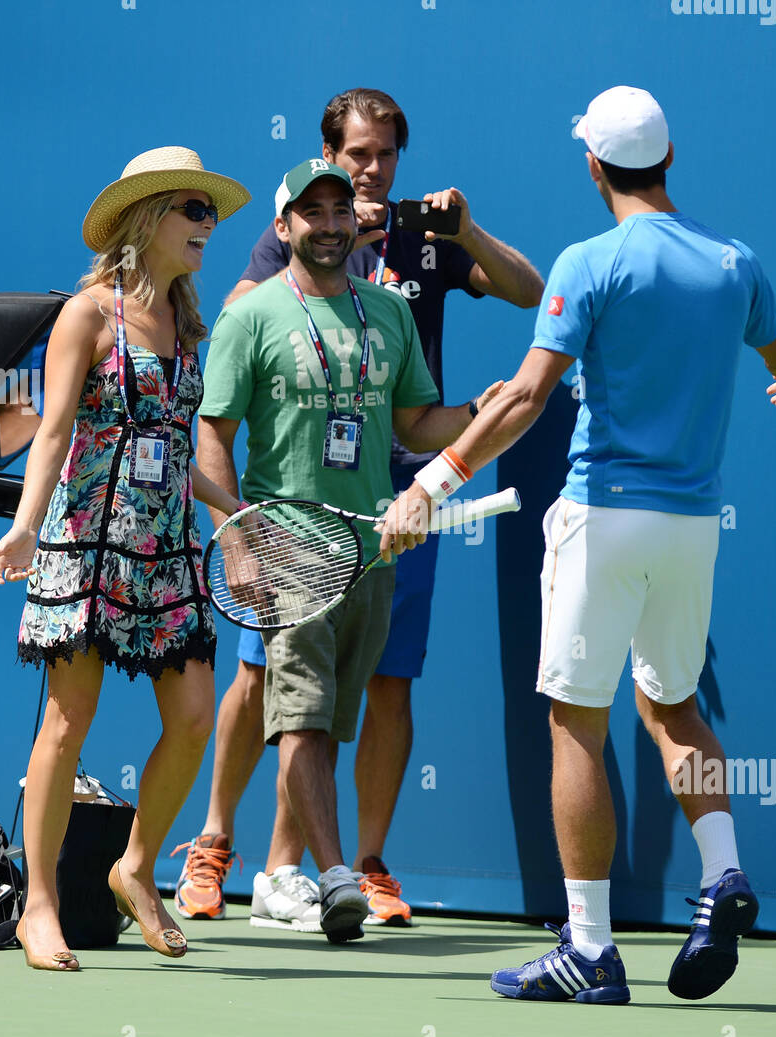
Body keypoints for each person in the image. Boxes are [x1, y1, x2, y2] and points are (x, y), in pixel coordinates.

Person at [379, 86, 776, 1002]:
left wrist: (429, 483)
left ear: (594, 166)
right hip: (691, 526)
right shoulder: (734, 262)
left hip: (603, 516)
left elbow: (529, 397)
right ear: (668, 157)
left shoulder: (591, 261)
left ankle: (590, 947)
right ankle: (724, 870)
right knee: (675, 708)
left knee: (576, 722)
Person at [174, 88, 543, 931]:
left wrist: (463, 232)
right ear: (325, 163)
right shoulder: (299, 232)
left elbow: (526, 293)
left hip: (406, 505)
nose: (372, 171)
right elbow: (235, 331)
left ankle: (346, 867)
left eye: (384, 157)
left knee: (377, 683)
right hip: (289, 515)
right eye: (356, 157)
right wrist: (340, 248)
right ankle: (222, 846)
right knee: (264, 679)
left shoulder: (429, 239)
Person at [0, 147, 250, 971]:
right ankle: (40, 905)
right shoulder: (87, 316)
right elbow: (53, 431)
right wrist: (28, 524)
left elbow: (177, 448)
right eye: (193, 211)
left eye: (211, 211)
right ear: (148, 221)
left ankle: (134, 869)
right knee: (68, 722)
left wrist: (234, 516)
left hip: (163, 553)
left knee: (196, 716)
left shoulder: (187, 323)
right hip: (84, 546)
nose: (208, 225)